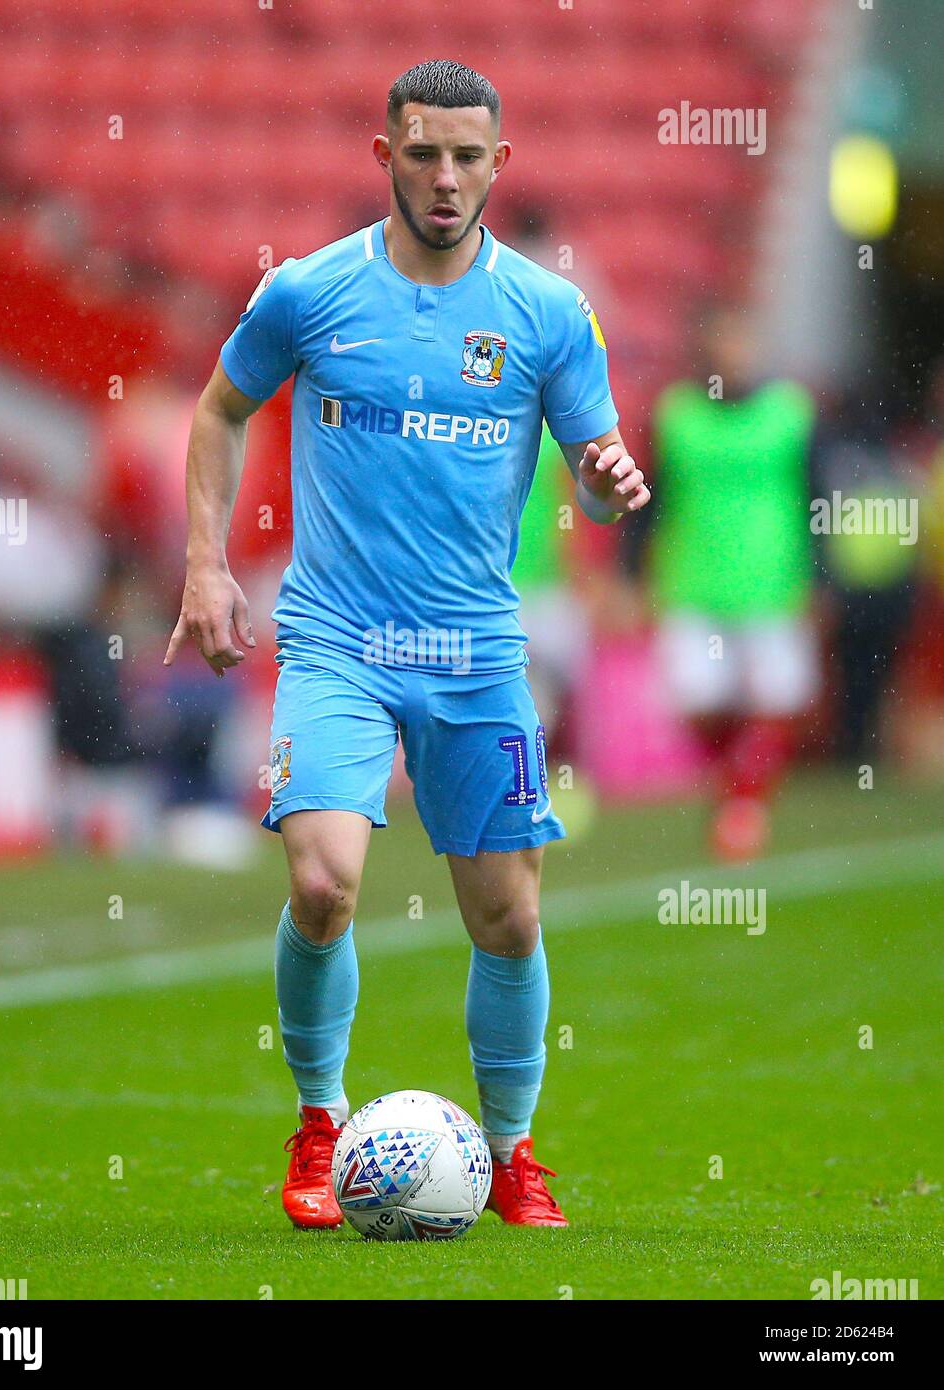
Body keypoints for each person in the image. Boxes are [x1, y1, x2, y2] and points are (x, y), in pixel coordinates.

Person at [164, 60, 649, 1230]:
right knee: (324, 884)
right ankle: (321, 1122)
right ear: (384, 156)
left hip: (478, 650)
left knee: (509, 918)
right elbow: (221, 408)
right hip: (336, 640)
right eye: (422, 153)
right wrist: (206, 563)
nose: (444, 177)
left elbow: (595, 483)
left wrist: (607, 484)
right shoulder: (311, 292)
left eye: (467, 156)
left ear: (500, 165)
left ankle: (513, 1147)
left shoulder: (544, 311)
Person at [622, 303, 817, 860]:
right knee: (698, 701)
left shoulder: (790, 413)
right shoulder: (677, 415)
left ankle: (743, 803)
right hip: (692, 581)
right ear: (705, 350)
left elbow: (818, 495)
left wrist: (823, 576)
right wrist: (630, 573)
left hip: (773, 583)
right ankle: (737, 784)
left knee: (779, 702)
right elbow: (648, 499)